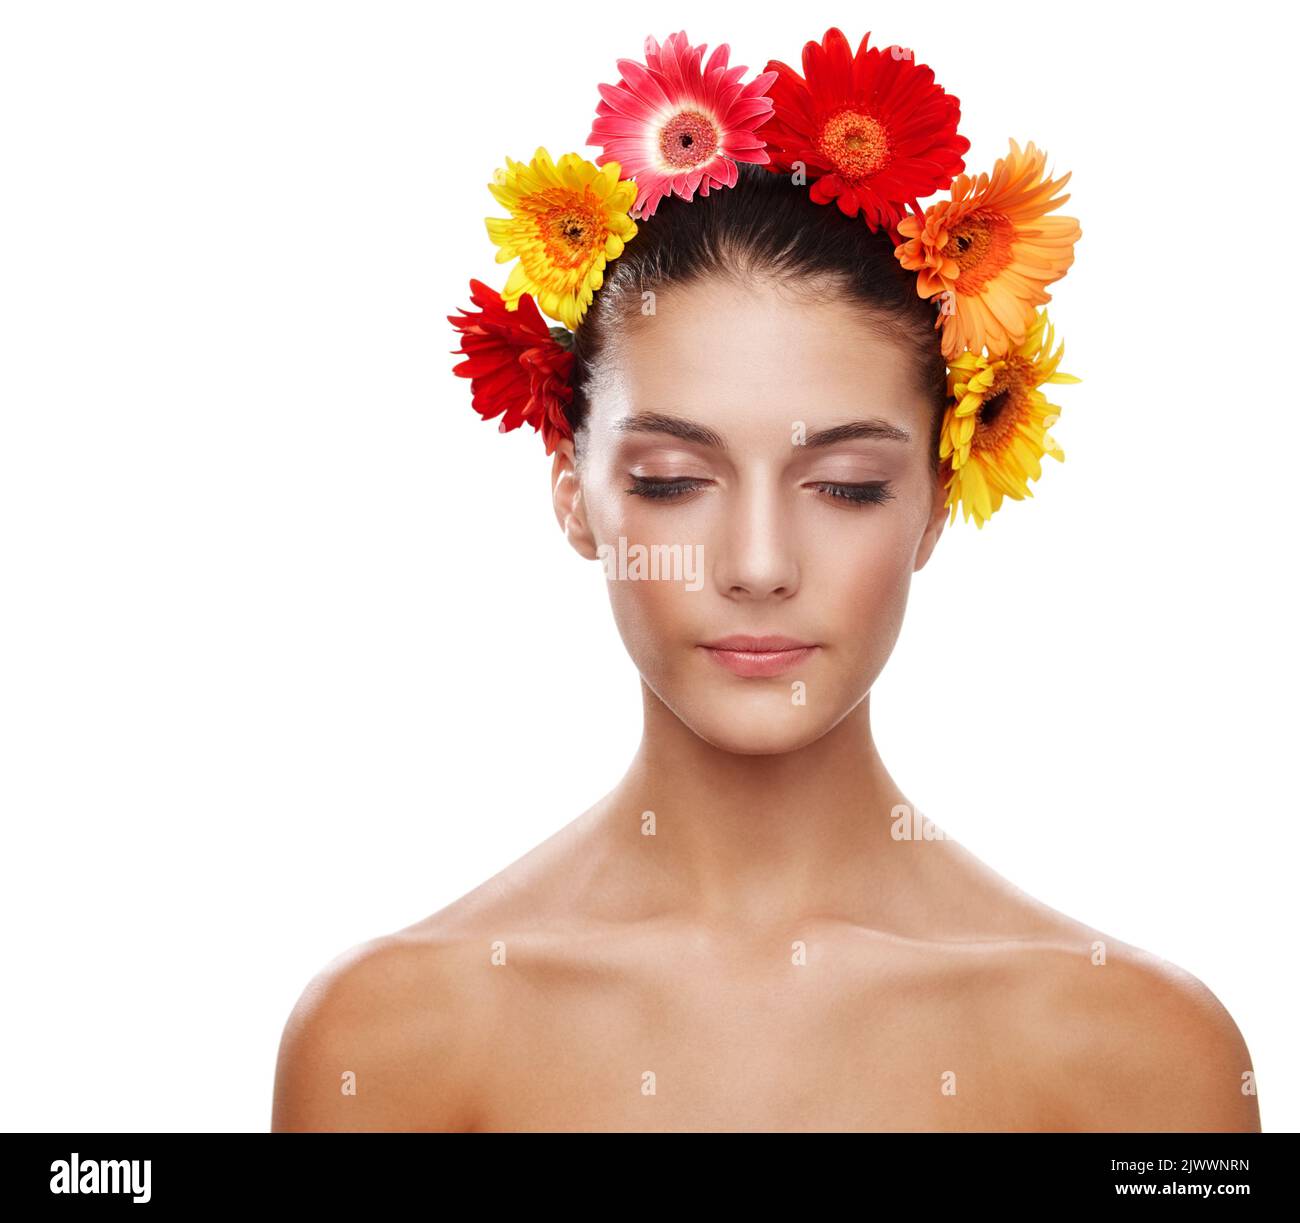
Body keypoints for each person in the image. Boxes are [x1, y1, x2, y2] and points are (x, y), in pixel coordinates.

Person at [271, 28, 1260, 1133]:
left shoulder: (1137, 1056)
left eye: (842, 486)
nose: (755, 565)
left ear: (938, 497)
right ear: (572, 494)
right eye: (672, 479)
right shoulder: (393, 1039)